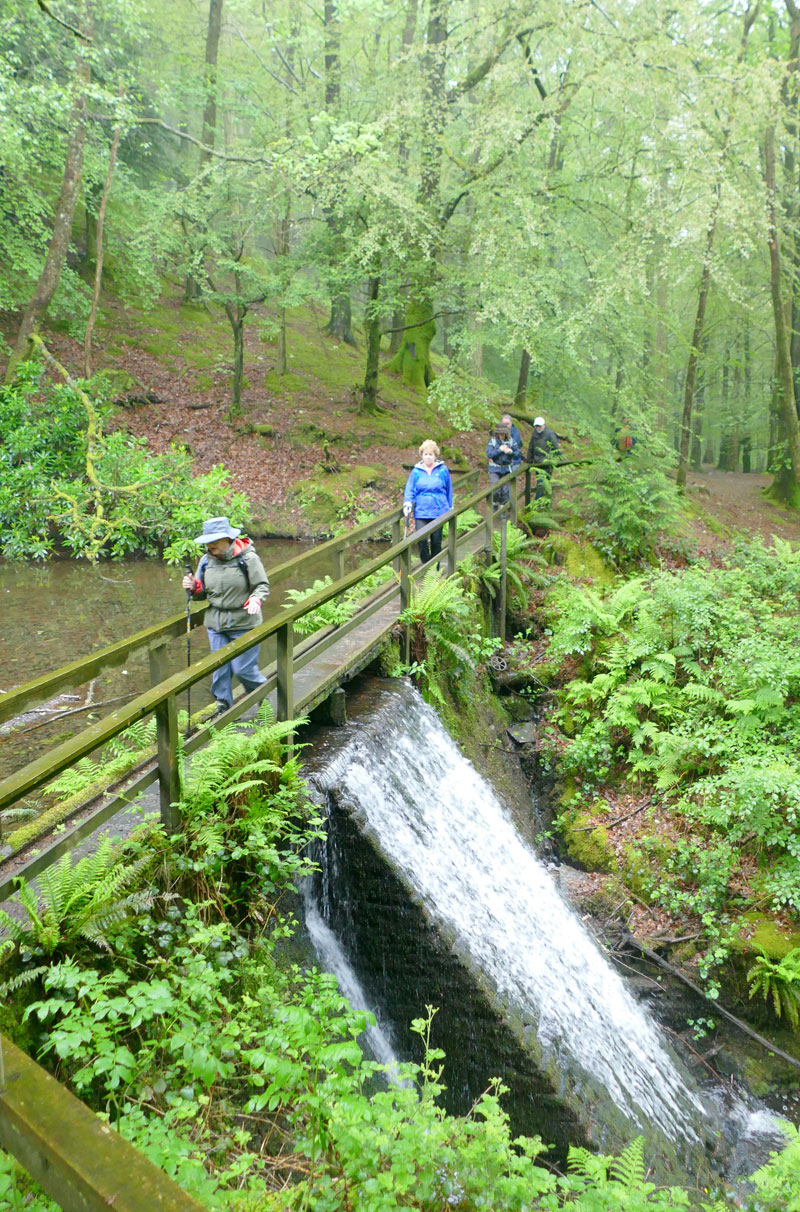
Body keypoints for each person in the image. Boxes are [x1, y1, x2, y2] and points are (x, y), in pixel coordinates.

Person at [182, 516, 270, 716]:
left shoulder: (248, 558)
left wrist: (256, 599)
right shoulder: (206, 561)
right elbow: (201, 593)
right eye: (207, 541)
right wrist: (193, 587)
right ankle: (224, 709)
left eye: (214, 540)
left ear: (228, 539)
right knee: (220, 669)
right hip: (216, 624)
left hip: (244, 622)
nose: (210, 545)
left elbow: (262, 585)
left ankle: (264, 701)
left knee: (243, 670)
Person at [403, 439, 453, 566]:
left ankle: (435, 567)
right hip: (422, 510)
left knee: (436, 540)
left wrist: (450, 506)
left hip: (438, 509)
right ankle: (426, 565)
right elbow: (410, 488)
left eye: (431, 454)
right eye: (426, 454)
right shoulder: (416, 471)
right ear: (422, 455)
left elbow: (449, 489)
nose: (428, 457)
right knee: (421, 539)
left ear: (435, 455)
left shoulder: (442, 470)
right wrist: (408, 503)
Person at [487, 417, 521, 506]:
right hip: (494, 469)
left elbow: (518, 453)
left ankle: (503, 511)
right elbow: (489, 454)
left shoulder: (511, 441)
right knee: (496, 489)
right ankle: (494, 504)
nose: (502, 435)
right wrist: (499, 450)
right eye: (500, 433)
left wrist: (511, 452)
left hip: (506, 469)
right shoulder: (493, 441)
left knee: (505, 491)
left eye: (503, 433)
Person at [526, 415, 561, 500]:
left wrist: (560, 459)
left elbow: (556, 447)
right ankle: (543, 502)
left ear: (544, 425)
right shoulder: (534, 434)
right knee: (541, 483)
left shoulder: (549, 434)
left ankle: (538, 502)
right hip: (537, 463)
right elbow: (531, 447)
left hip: (547, 463)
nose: (538, 428)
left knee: (543, 483)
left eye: (539, 426)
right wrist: (529, 461)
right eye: (536, 426)